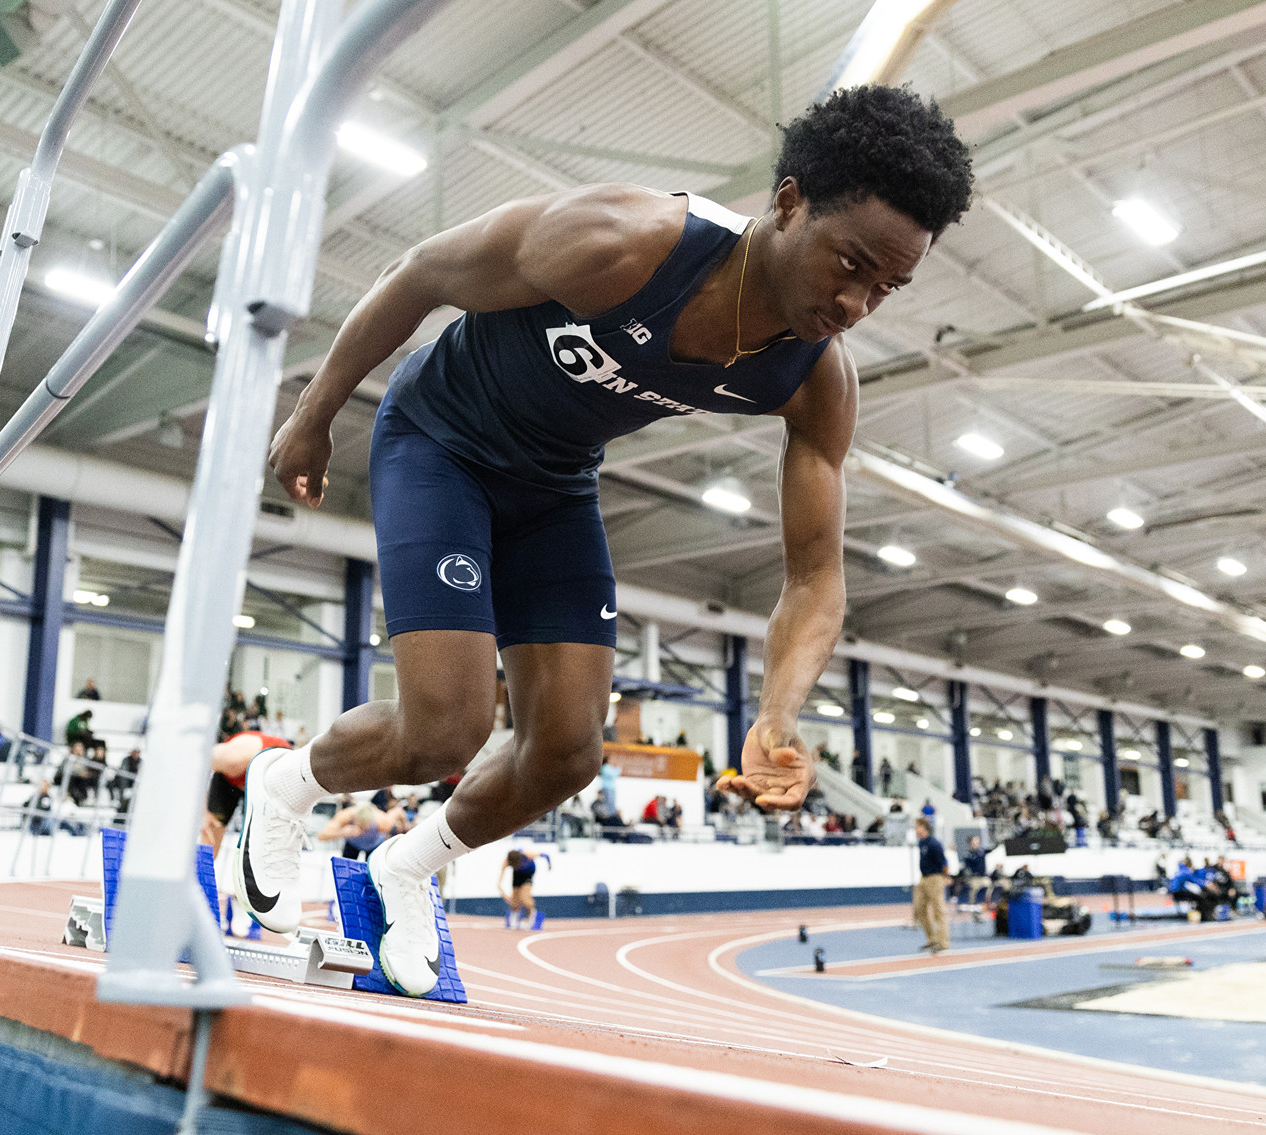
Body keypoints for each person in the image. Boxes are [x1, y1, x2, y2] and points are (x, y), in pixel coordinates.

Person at [235, 88, 973, 995]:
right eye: (849, 264)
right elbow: (422, 272)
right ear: (787, 204)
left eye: (888, 287)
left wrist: (778, 712)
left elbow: (815, 575)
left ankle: (407, 868)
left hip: (554, 483)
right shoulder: (622, 242)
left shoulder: (817, 379)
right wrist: (315, 413)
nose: (858, 303)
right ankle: (284, 786)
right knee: (448, 730)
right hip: (442, 442)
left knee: (568, 753)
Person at [203, 727, 294, 852]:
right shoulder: (235, 757)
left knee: (262, 839)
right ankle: (200, 869)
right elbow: (196, 761)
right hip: (228, 779)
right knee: (211, 830)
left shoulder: (289, 776)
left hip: (267, 780)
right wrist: (202, 812)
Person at [913, 817, 950, 954]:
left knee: (938, 911)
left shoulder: (934, 843)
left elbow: (944, 862)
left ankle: (943, 942)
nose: (915, 830)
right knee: (919, 909)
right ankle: (932, 938)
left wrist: (945, 877)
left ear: (923, 827)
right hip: (923, 878)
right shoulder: (921, 843)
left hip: (935, 878)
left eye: (917, 827)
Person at [498, 848, 540, 929]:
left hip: (528, 874)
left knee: (525, 898)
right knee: (515, 901)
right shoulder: (506, 862)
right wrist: (504, 895)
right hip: (517, 876)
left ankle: (531, 917)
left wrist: (549, 866)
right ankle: (514, 918)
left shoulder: (528, 854)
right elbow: (499, 883)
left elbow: (545, 855)